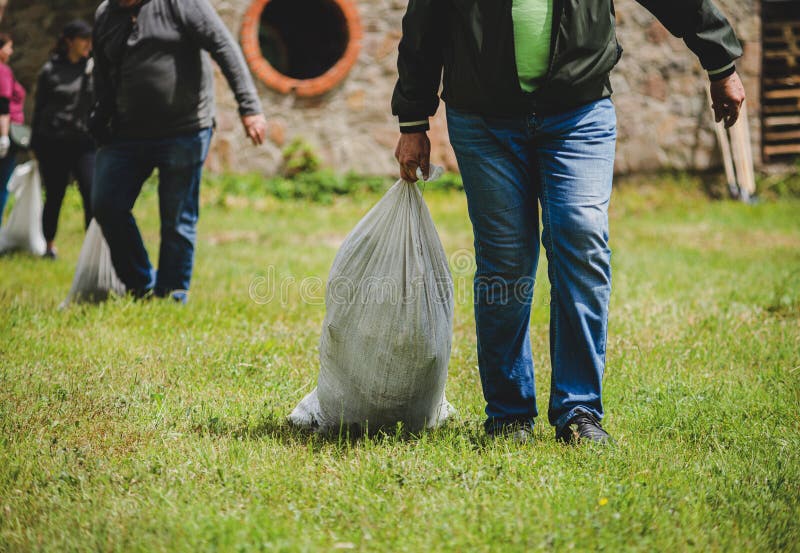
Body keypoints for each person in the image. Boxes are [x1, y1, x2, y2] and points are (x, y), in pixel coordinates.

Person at [392, 0, 746, 444]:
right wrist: (412, 118)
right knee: (504, 262)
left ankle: (578, 411)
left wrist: (719, 61)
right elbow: (426, 19)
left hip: (578, 112)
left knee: (581, 238)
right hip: (484, 118)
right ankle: (509, 416)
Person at [91, 0, 267, 302]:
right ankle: (141, 285)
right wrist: (98, 116)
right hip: (125, 133)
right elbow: (102, 73)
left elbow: (224, 46)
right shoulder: (106, 14)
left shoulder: (179, 3)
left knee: (177, 218)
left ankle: (171, 293)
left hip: (185, 130)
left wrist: (249, 107)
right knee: (106, 204)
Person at [31, 20, 96, 260]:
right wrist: (36, 144)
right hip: (55, 142)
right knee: (55, 195)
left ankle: (90, 249)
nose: (89, 44)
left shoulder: (92, 69)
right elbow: (39, 109)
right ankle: (49, 245)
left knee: (91, 193)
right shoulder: (51, 70)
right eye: (83, 39)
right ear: (69, 41)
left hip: (84, 143)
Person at [0, 32, 25, 227]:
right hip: (5, 134)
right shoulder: (3, 71)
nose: (11, 51)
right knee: (1, 186)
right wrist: (3, 136)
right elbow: (3, 105)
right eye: (8, 47)